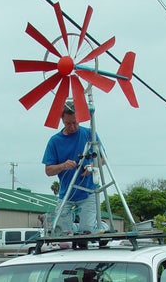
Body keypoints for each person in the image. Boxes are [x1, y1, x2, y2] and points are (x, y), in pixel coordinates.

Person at [42, 101, 104, 235]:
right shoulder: (54, 141)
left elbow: (103, 159)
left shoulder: (89, 134)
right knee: (62, 232)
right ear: (62, 121)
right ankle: (71, 231)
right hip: (66, 195)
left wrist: (92, 167)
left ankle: (100, 227)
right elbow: (48, 170)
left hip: (88, 192)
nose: (72, 126)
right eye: (68, 123)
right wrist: (63, 165)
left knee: (86, 231)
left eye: (75, 122)